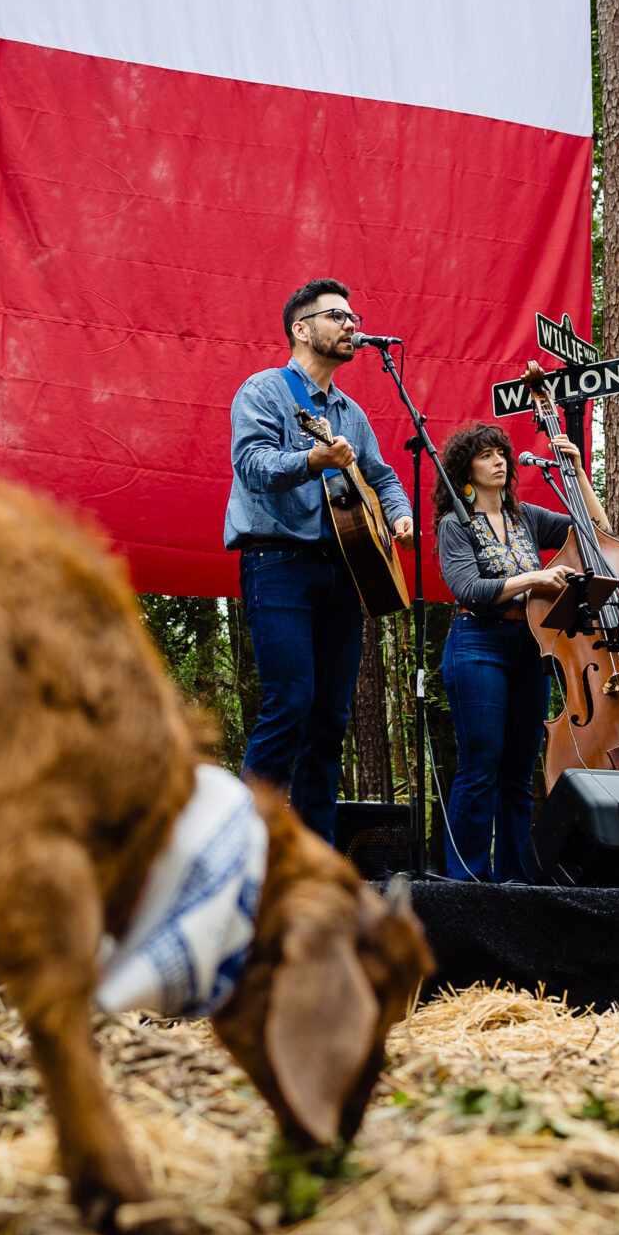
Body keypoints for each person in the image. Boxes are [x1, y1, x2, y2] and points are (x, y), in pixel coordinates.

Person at [222, 278, 414, 846]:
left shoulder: (352, 413)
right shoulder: (264, 391)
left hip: (345, 569)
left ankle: (315, 853)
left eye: (355, 316)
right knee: (290, 702)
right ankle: (241, 848)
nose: (353, 325)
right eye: (338, 316)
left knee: (330, 718)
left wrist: (399, 515)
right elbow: (252, 465)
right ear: (301, 330)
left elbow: (381, 478)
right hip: (278, 562)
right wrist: (313, 458)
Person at [433, 423, 609, 881]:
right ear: (465, 468)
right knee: (481, 765)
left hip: (532, 646)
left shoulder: (526, 516)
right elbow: (469, 589)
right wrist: (533, 579)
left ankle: (514, 879)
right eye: (486, 455)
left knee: (518, 770)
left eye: (501, 454)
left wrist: (576, 471)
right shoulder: (456, 523)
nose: (499, 461)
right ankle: (467, 878)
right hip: (478, 642)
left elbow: (597, 531)